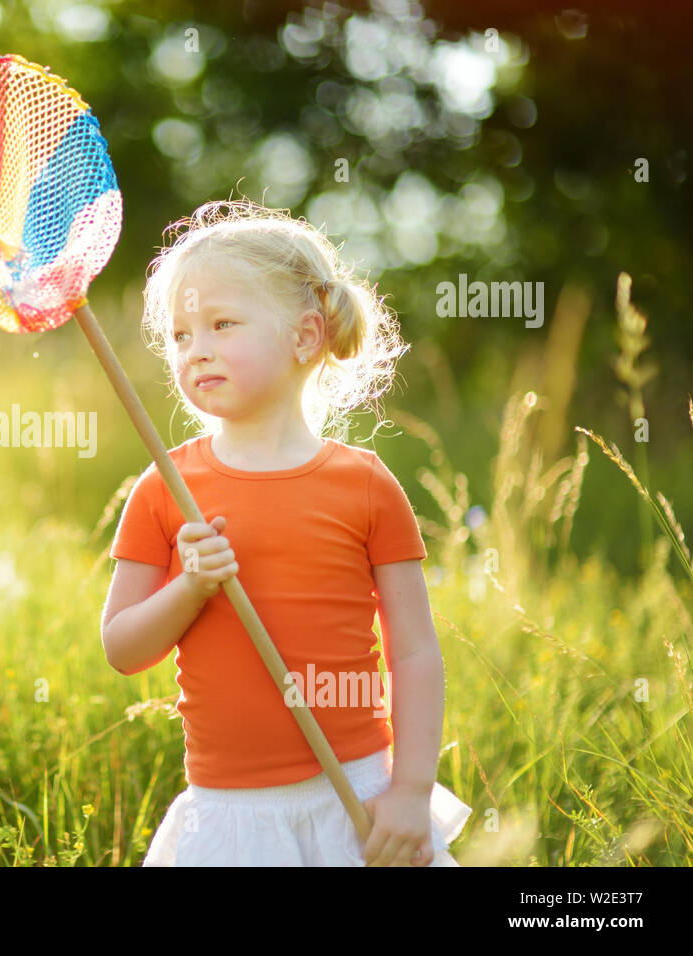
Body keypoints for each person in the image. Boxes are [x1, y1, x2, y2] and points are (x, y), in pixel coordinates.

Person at [102, 199, 472, 866]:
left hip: (357, 797)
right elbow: (123, 647)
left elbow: (415, 651)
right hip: (231, 816)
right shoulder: (164, 489)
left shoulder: (364, 485)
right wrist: (191, 587)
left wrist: (412, 790)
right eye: (181, 335)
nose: (197, 349)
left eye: (222, 324)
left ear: (304, 337)